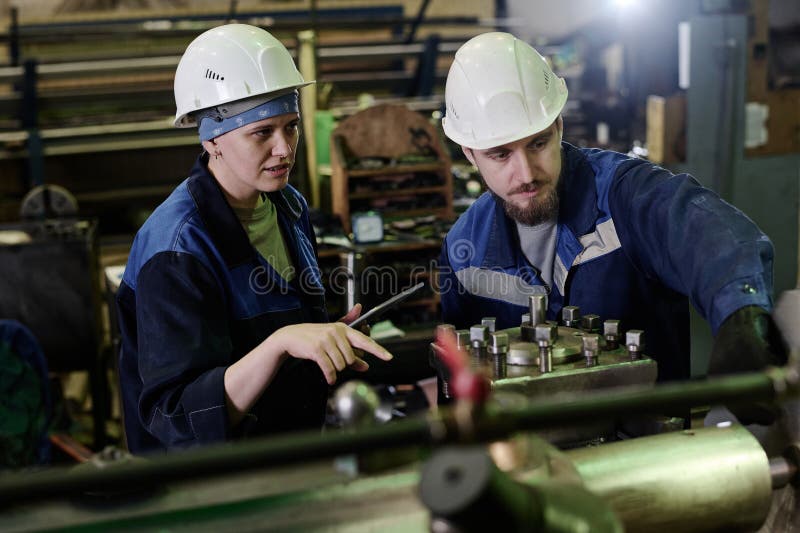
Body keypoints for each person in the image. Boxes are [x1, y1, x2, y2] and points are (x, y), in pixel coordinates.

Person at [438, 32, 786, 399]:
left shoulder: (624, 196)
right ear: (470, 154)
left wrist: (741, 316)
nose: (525, 174)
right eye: (500, 155)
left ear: (558, 126)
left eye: (537, 143)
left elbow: (712, 234)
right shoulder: (465, 250)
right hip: (530, 452)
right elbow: (459, 375)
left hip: (646, 446)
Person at [116, 24, 392, 454]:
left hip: (289, 458)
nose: (285, 149)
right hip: (204, 489)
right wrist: (281, 344)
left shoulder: (288, 207)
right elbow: (176, 418)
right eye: (262, 132)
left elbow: (286, 333)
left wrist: (324, 337)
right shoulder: (176, 249)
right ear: (212, 139)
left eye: (292, 126)